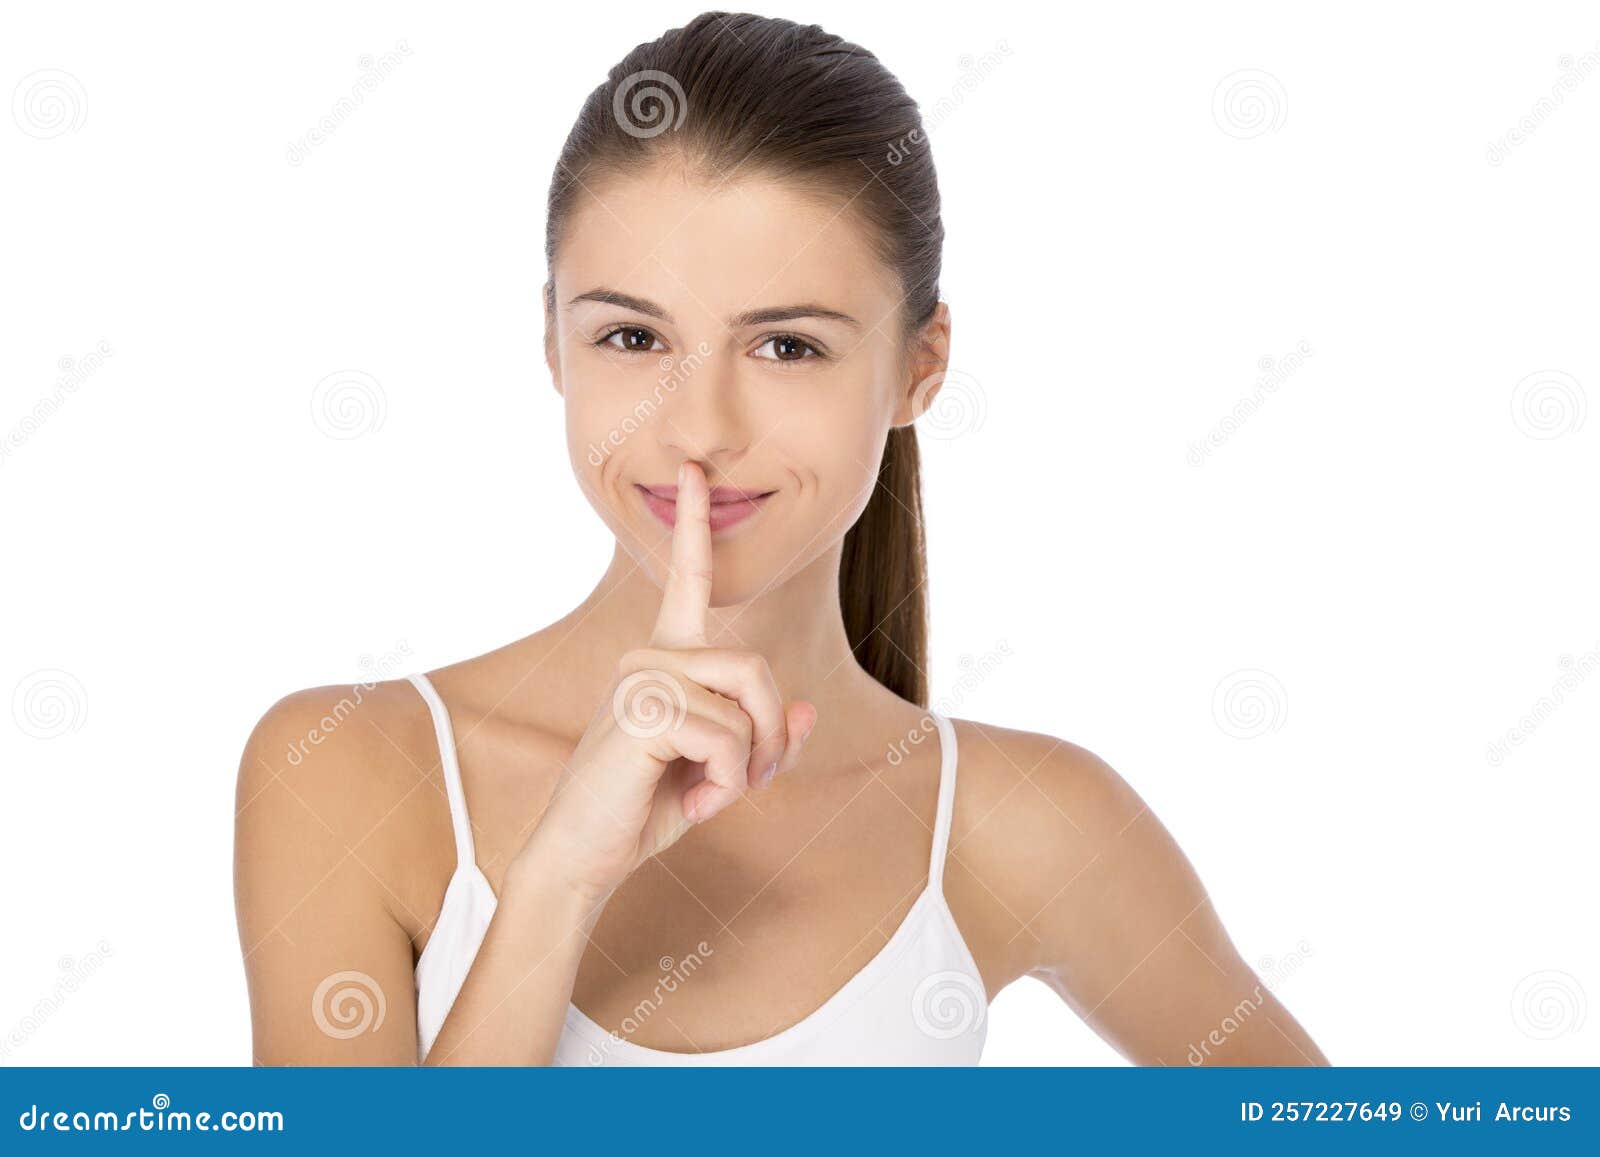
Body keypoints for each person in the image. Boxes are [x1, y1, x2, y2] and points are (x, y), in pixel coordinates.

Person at [234, 11, 1327, 1067]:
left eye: (788, 347)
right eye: (631, 334)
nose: (699, 428)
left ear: (917, 365)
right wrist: (559, 874)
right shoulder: (344, 769)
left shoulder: (1026, 824)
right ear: (554, 345)